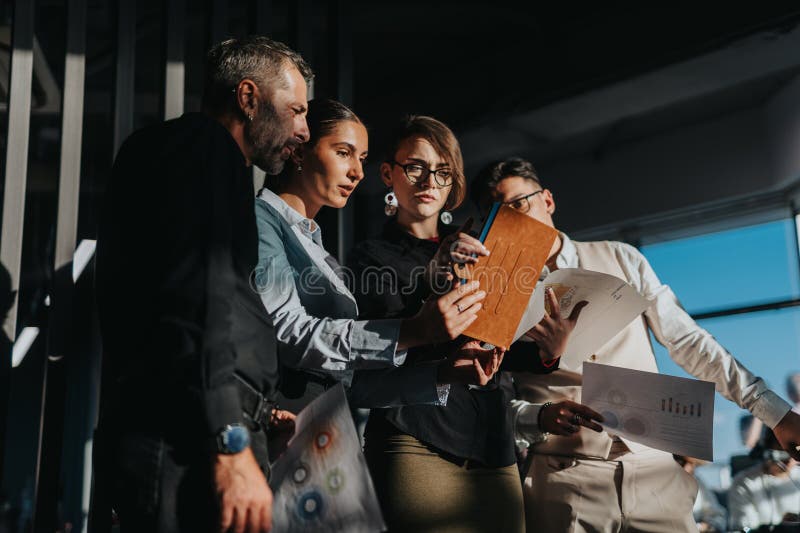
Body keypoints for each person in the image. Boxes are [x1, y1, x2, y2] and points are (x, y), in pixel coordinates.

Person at [471, 156, 800, 533]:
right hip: (564, 480)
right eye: (496, 215)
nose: (512, 221)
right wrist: (537, 415)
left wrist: (775, 413)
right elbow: (487, 396)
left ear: (547, 200)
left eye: (519, 204)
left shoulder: (621, 258)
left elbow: (689, 341)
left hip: (654, 470)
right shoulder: (491, 297)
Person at [95, 36, 312, 533]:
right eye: (296, 109)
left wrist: (254, 410)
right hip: (189, 445)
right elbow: (201, 300)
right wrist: (230, 438)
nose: (303, 129)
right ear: (249, 97)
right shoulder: (207, 149)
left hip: (189, 432)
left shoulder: (176, 154)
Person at [347, 116, 595, 533]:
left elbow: (501, 346)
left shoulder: (484, 247)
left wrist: (547, 351)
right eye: (415, 167)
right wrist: (436, 278)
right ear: (389, 174)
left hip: (495, 445)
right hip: (416, 440)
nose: (429, 180)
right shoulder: (370, 258)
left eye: (443, 171)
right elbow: (377, 351)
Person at [252, 100, 503, 419]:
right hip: (284, 423)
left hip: (323, 425)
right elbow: (290, 332)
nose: (357, 172)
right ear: (300, 151)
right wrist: (412, 331)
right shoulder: (263, 220)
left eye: (362, 158)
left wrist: (442, 375)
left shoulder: (317, 248)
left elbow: (352, 384)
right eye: (344, 153)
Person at [728, 429, 800, 531]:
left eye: (796, 451)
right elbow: (744, 528)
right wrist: (780, 528)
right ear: (767, 452)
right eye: (782, 453)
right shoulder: (744, 482)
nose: (790, 459)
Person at [674, 455, 727, 533]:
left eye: (693, 464)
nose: (690, 468)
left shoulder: (697, 482)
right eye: (682, 462)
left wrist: (709, 526)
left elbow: (716, 514)